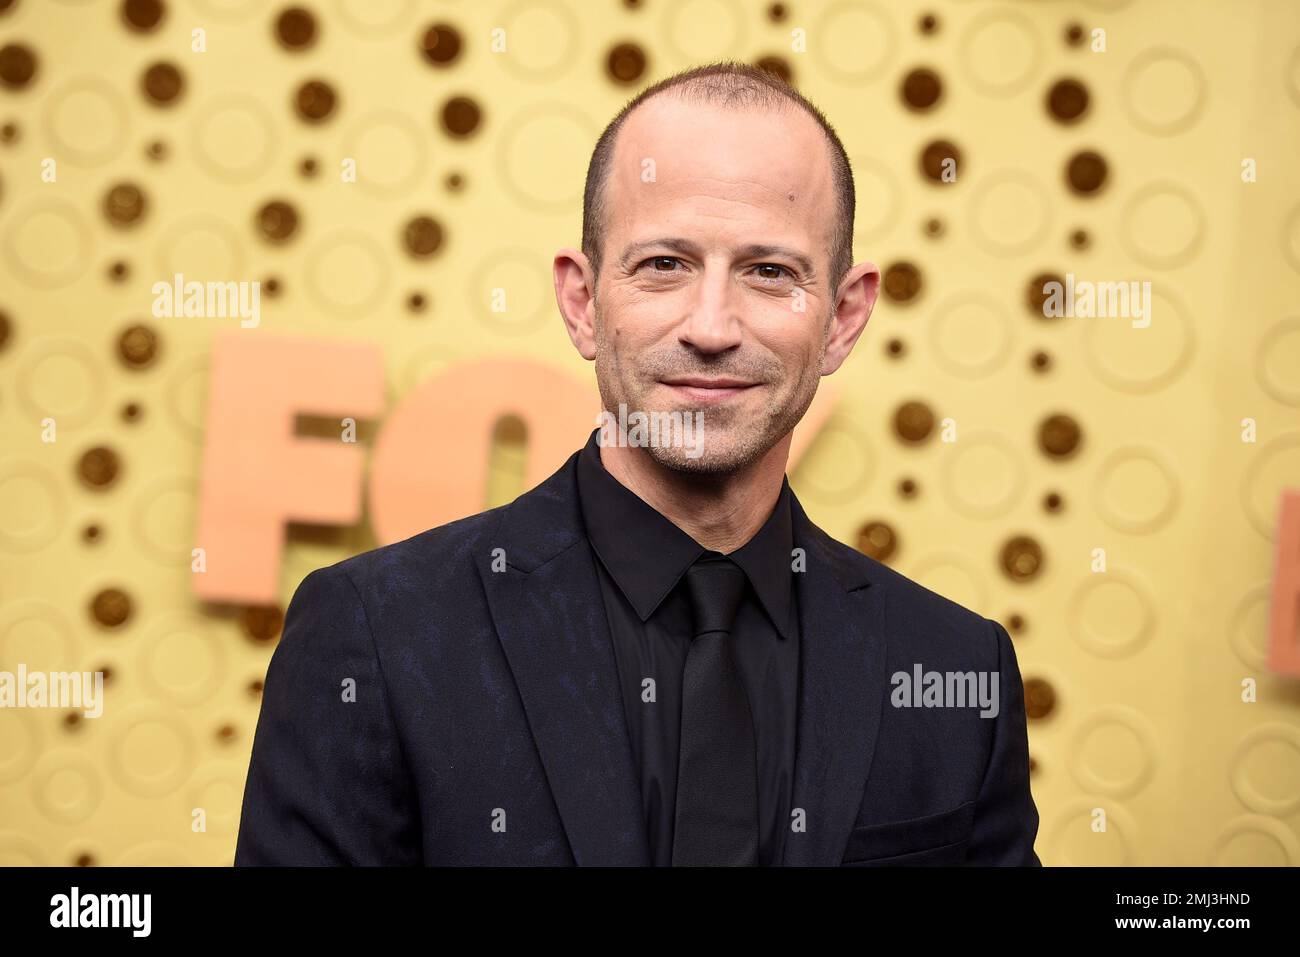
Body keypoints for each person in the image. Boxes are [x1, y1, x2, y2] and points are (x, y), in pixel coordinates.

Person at [235, 60, 1041, 867]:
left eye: (770, 271)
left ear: (843, 316)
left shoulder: (956, 669)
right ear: (583, 302)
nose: (712, 326)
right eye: (664, 265)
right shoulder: (375, 636)